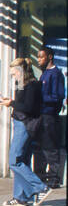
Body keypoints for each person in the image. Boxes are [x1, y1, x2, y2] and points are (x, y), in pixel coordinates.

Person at [0, 58, 52, 206]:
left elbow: (28, 107)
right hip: (21, 123)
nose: (13, 76)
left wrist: (11, 103)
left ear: (21, 71)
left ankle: (40, 187)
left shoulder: (32, 85)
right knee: (23, 160)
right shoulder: (23, 84)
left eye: (14, 73)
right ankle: (21, 197)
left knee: (15, 161)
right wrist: (11, 101)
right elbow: (23, 103)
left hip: (25, 125)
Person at [34, 47, 64, 188]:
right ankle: (40, 176)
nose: (39, 60)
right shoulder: (44, 74)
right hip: (41, 116)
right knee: (39, 148)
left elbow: (57, 96)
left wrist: (40, 98)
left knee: (50, 148)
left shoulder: (56, 74)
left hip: (50, 116)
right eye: (38, 57)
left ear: (50, 57)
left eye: (41, 57)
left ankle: (54, 178)